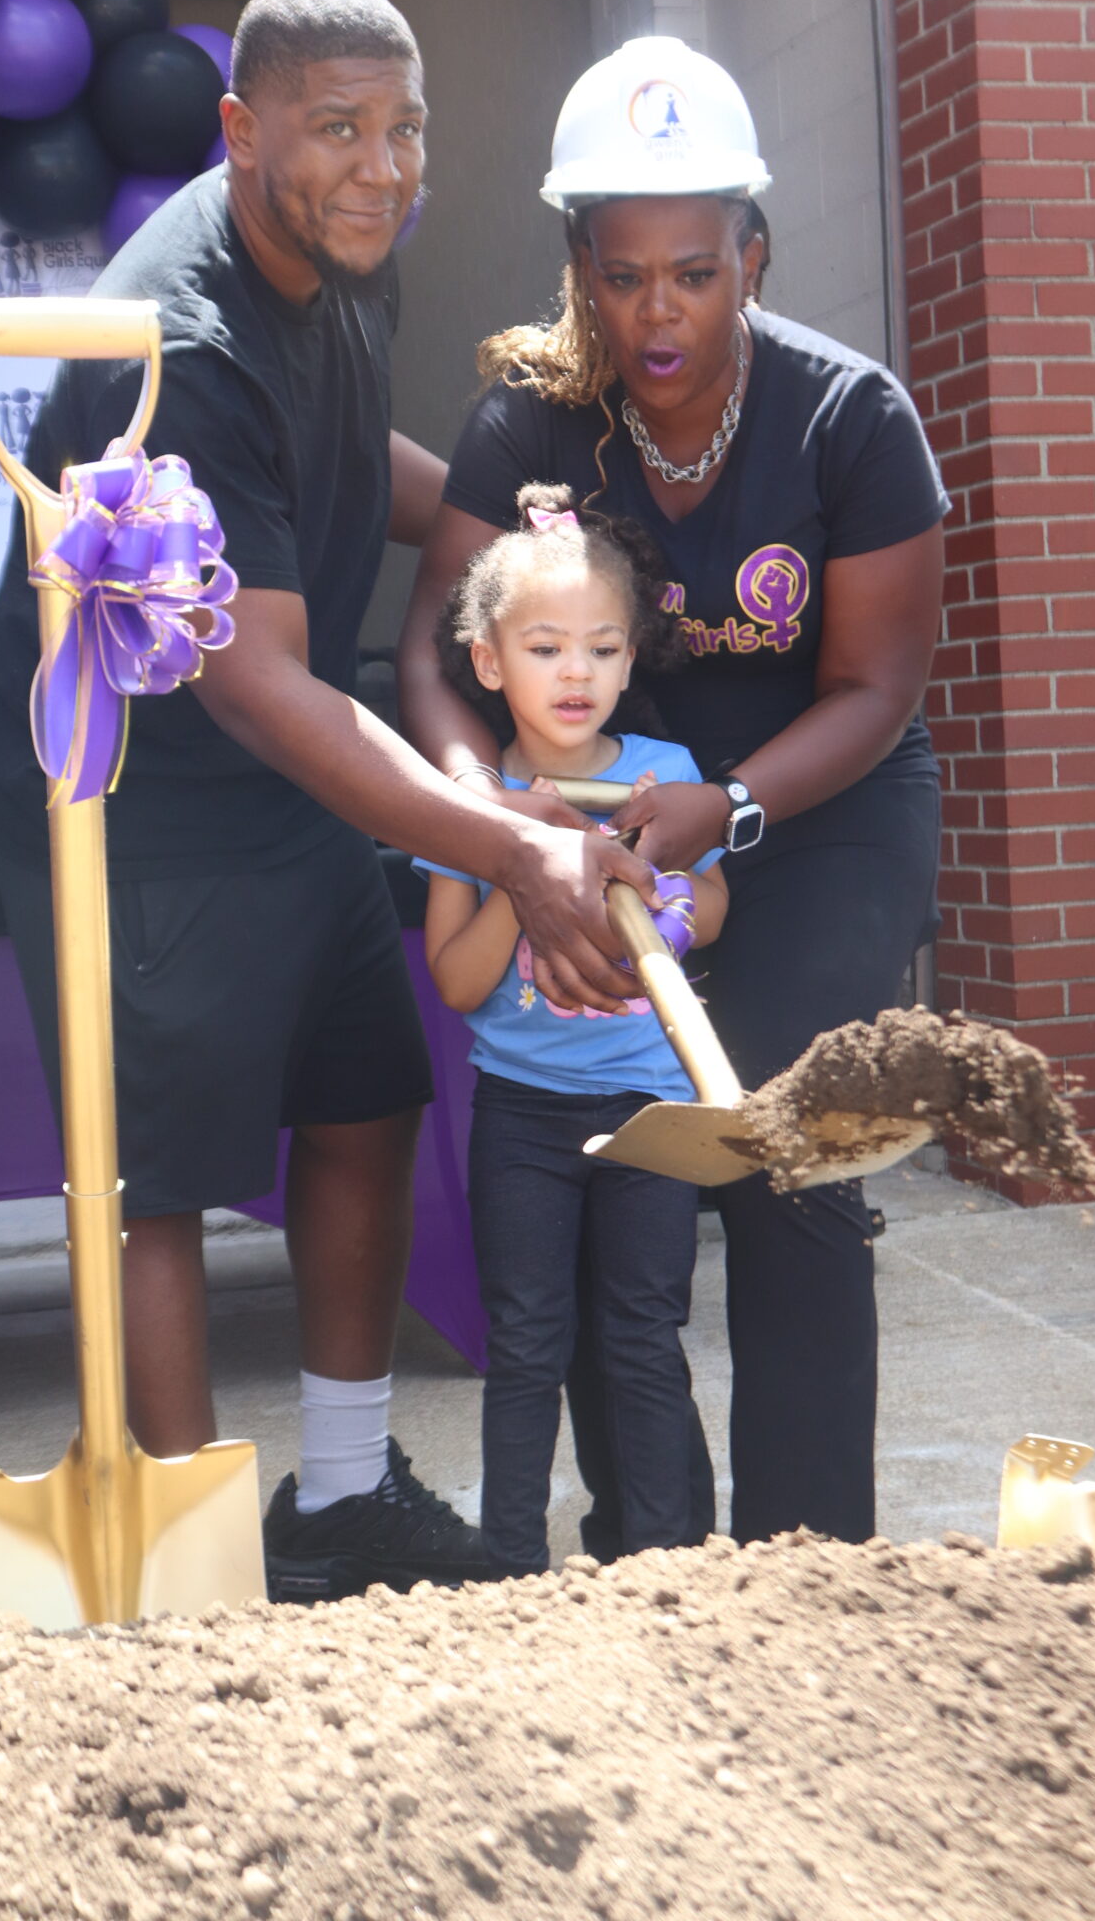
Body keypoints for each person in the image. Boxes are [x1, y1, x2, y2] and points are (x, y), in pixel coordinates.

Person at [0, 0, 653, 1603]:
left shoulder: (343, 256)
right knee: (163, 1182)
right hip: (137, 803)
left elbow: (339, 455)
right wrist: (509, 837)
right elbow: (262, 682)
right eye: (337, 127)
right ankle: (197, 1565)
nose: (382, 164)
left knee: (364, 1097)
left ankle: (340, 1498)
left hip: (282, 772)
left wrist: (491, 513)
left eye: (404, 128)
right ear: (237, 130)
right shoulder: (185, 345)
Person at [399, 36, 947, 1548]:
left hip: (818, 816)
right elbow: (433, 654)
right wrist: (502, 826)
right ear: (578, 262)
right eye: (622, 273)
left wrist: (730, 810)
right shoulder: (529, 420)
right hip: (600, 829)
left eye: (694, 273)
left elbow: (876, 688)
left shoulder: (851, 421)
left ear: (751, 259)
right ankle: (650, 1550)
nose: (657, 313)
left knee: (784, 1132)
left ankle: (806, 1559)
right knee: (597, 1145)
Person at [415, 487, 728, 1577]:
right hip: (523, 1120)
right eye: (545, 646)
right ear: (491, 660)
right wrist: (525, 855)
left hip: (653, 1115)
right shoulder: (474, 802)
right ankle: (511, 1572)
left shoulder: (666, 776)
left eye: (601, 646)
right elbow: (455, 978)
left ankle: (661, 1567)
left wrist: (662, 879)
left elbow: (714, 907)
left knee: (643, 1339)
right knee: (529, 1345)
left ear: (633, 657)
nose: (576, 670)